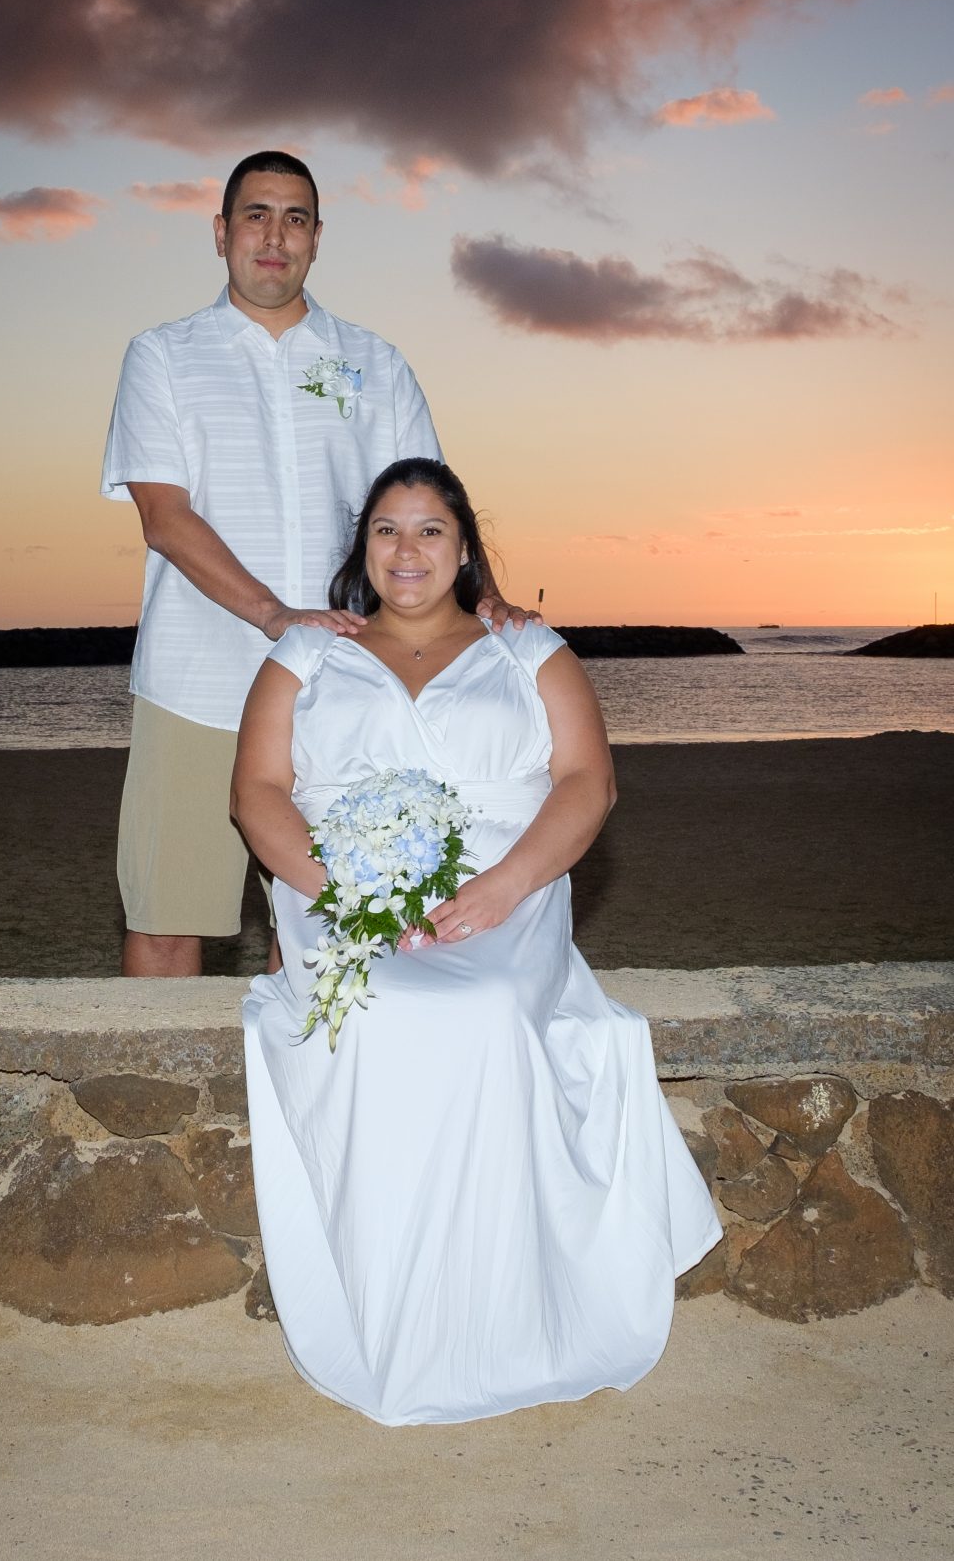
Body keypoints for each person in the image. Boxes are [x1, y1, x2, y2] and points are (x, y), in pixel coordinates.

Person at [232, 458, 722, 1427]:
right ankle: (397, 1290)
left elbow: (587, 782)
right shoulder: (307, 654)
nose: (405, 551)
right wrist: (342, 896)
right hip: (335, 885)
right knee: (388, 1004)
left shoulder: (527, 650)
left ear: (464, 550)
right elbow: (256, 793)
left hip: (508, 881)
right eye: (385, 530)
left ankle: (501, 1299)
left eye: (428, 531)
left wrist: (503, 887)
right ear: (360, 548)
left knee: (487, 1003)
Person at [102, 151, 473, 978]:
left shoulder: (374, 363)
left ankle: (303, 1107)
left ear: (316, 239)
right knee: (167, 922)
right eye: (256, 215)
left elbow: (426, 519)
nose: (275, 235)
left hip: (342, 683)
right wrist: (278, 616)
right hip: (193, 683)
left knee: (327, 926)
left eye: (296, 217)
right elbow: (165, 520)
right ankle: (168, 1114)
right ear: (222, 232)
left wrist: (488, 613)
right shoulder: (161, 356)